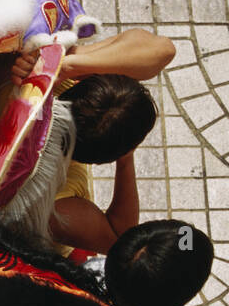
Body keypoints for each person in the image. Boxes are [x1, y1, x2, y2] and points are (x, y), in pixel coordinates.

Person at [14, 30, 176, 256]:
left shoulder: (53, 85)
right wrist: (126, 160)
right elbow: (119, 238)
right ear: (103, 160)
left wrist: (70, 64)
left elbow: (164, 49)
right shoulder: (55, 203)